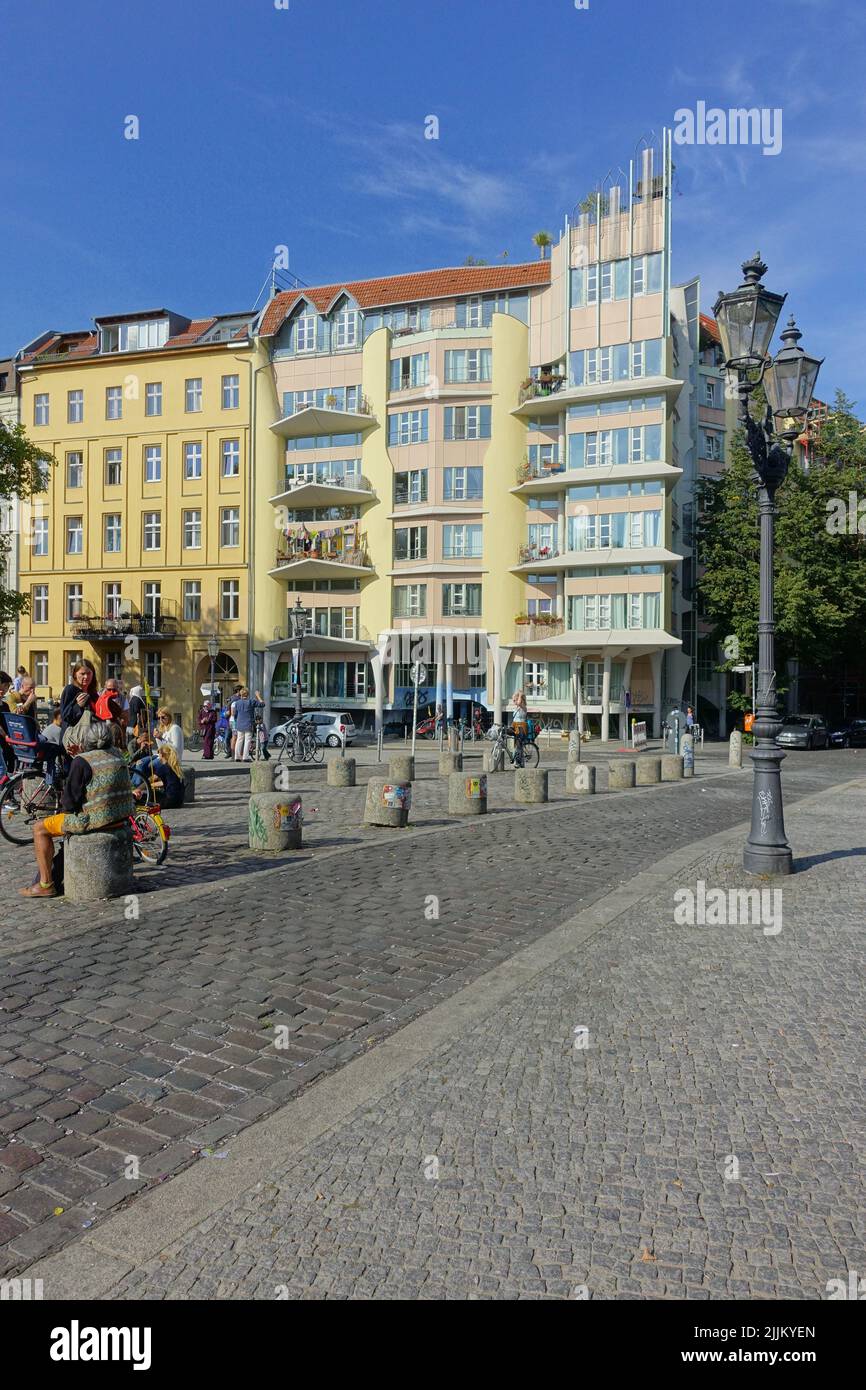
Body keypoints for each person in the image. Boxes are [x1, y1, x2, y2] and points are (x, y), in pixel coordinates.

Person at [20, 710, 134, 898]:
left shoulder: (82, 762)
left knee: (39, 828)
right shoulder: (117, 755)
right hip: (120, 817)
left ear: (86, 741)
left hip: (95, 820)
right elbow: (97, 768)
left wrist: (77, 763)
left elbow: (69, 803)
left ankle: (45, 884)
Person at [60, 659, 99, 733]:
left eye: (89, 673)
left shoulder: (93, 693)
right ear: (75, 674)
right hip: (74, 738)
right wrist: (78, 706)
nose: (86, 677)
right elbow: (65, 716)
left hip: (91, 736)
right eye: (82, 674)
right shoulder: (70, 690)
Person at [232, 687, 256, 761]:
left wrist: (237, 720)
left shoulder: (237, 703)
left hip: (239, 724)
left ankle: (237, 757)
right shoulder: (251, 702)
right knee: (247, 740)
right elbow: (262, 704)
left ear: (241, 694)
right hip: (248, 724)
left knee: (239, 740)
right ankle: (245, 757)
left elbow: (235, 714)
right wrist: (258, 696)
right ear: (248, 694)